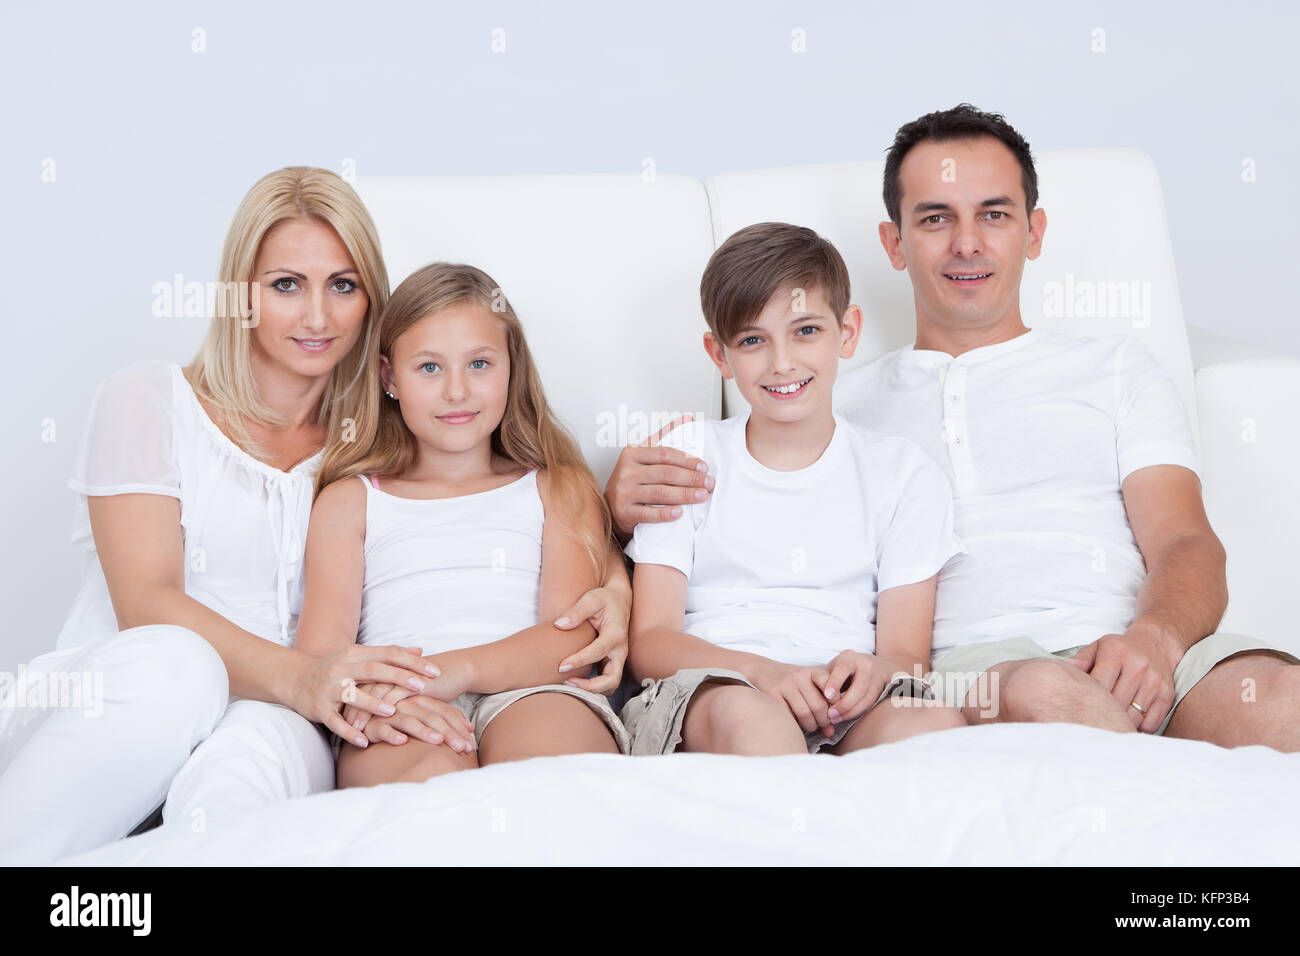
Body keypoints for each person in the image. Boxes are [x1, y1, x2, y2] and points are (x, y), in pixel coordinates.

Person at [606, 105, 1300, 752]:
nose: (967, 243)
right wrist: (615, 510)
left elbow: (1186, 542)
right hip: (983, 671)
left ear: (1034, 231)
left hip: (1143, 649)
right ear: (895, 242)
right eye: (936, 218)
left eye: (994, 214)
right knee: (1042, 692)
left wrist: (1156, 639)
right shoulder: (832, 399)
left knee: (1280, 701)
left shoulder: (1116, 368)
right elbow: (732, 496)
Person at [0, 169, 630, 865]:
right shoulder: (149, 402)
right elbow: (147, 603)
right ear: (241, 294)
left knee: (249, 784)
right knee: (180, 668)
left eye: (343, 285)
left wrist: (622, 581)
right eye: (286, 285)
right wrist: (311, 680)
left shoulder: (373, 452)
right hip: (144, 695)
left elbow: (530, 525)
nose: (318, 318)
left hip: (294, 707)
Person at [620, 223, 967, 756]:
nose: (782, 362)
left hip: (844, 701)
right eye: (753, 341)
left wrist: (873, 670)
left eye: (806, 331)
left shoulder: (902, 473)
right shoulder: (690, 455)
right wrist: (764, 673)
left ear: (847, 332)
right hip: (716, 686)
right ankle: (792, 823)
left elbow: (906, 656)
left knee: (931, 725)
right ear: (720, 355)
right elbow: (651, 642)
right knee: (753, 722)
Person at [296, 262, 629, 785]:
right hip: (400, 703)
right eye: (429, 368)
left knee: (552, 766)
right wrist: (378, 700)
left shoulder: (557, 488)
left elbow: (569, 643)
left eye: (479, 364)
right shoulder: (349, 502)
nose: (456, 391)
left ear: (511, 366)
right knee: (427, 785)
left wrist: (455, 671)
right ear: (389, 378)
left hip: (532, 689)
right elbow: (320, 660)